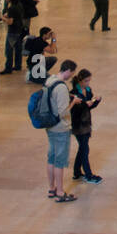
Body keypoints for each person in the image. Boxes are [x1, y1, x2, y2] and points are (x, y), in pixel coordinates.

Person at [43, 60, 79, 202]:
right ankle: (60, 191)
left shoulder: (50, 80)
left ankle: (51, 188)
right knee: (60, 160)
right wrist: (73, 102)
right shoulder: (62, 88)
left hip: (49, 125)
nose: (72, 75)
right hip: (61, 127)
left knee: (51, 157)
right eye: (72, 72)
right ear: (69, 70)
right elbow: (63, 111)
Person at [70, 69, 103, 182]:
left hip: (86, 123)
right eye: (86, 81)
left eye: (89, 80)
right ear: (80, 80)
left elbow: (90, 107)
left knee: (83, 148)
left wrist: (96, 101)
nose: (88, 83)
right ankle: (88, 175)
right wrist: (85, 104)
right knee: (84, 149)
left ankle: (77, 172)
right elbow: (74, 110)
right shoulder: (74, 93)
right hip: (78, 125)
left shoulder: (88, 90)